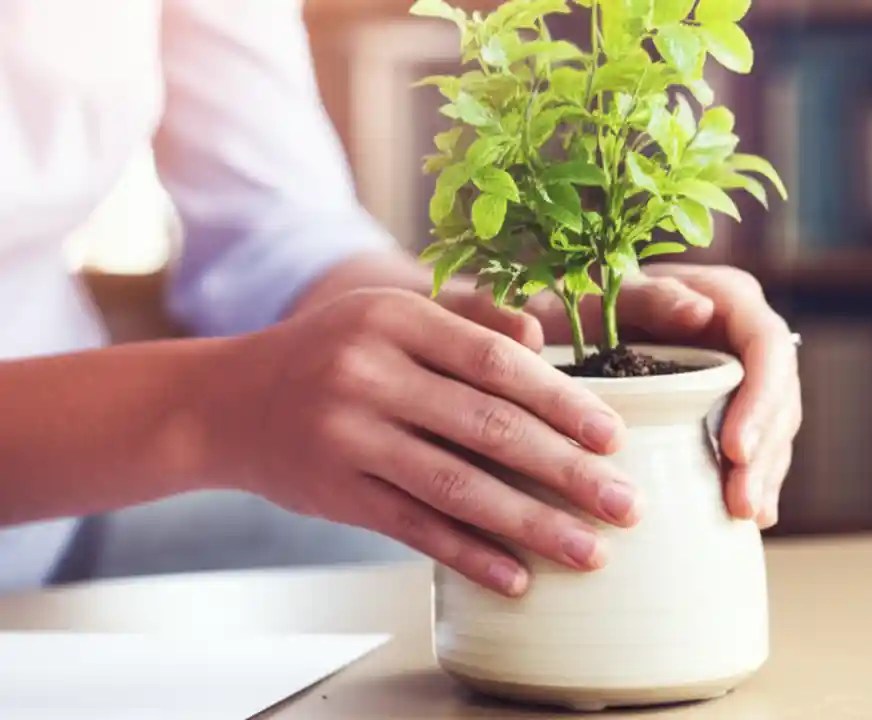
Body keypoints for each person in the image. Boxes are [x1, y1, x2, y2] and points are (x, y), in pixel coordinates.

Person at [0, 1, 802, 597]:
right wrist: (217, 405)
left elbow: (276, 240)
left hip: (68, 535)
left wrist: (532, 319)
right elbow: (232, 395)